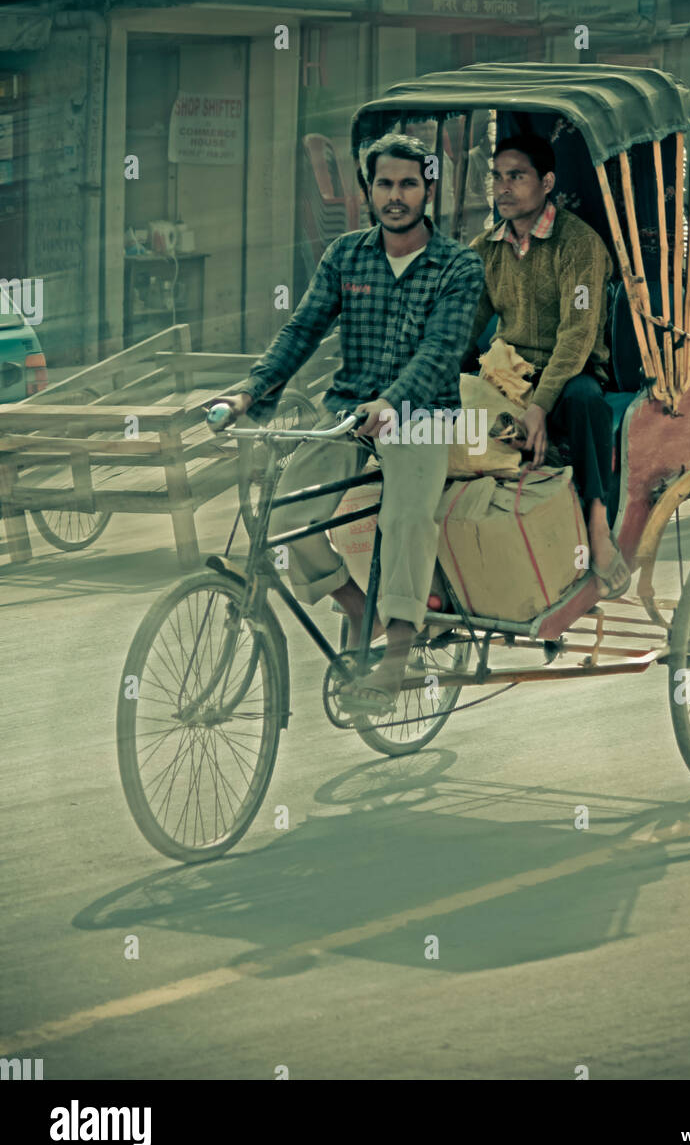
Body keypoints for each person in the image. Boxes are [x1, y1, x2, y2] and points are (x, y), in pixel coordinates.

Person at [210, 132, 485, 713]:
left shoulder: (458, 265)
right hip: (347, 412)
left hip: (422, 415)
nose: (396, 195)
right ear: (368, 190)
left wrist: (392, 401)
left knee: (406, 515)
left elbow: (441, 350)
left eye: (409, 183)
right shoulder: (346, 255)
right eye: (384, 183)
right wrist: (249, 392)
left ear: (428, 189)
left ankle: (397, 656)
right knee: (281, 509)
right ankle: (360, 608)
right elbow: (301, 329)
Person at [463, 132, 630, 598]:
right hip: (505, 375)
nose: (503, 188)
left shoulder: (579, 244)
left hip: (570, 373)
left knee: (585, 404)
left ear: (547, 181)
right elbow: (465, 326)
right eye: (496, 177)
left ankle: (597, 524)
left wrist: (538, 406)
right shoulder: (486, 248)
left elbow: (576, 337)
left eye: (516, 176)